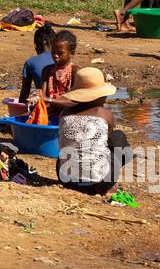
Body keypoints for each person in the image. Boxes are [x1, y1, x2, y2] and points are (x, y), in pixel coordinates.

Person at [48, 67, 130, 195]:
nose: (105, 98)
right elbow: (107, 141)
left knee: (67, 151)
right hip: (99, 184)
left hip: (66, 181)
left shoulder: (64, 114)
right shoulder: (104, 114)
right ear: (98, 96)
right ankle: (107, 181)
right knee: (118, 137)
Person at [18, 23, 57, 104]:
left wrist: (19, 110)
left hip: (43, 105)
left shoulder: (31, 62)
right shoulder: (62, 60)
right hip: (61, 104)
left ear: (36, 45)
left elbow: (25, 91)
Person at [42, 30, 78, 101]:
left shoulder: (75, 71)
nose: (55, 55)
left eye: (60, 53)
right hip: (49, 109)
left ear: (71, 53)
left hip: (68, 111)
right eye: (53, 52)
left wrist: (50, 100)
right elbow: (42, 95)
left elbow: (74, 101)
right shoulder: (47, 70)